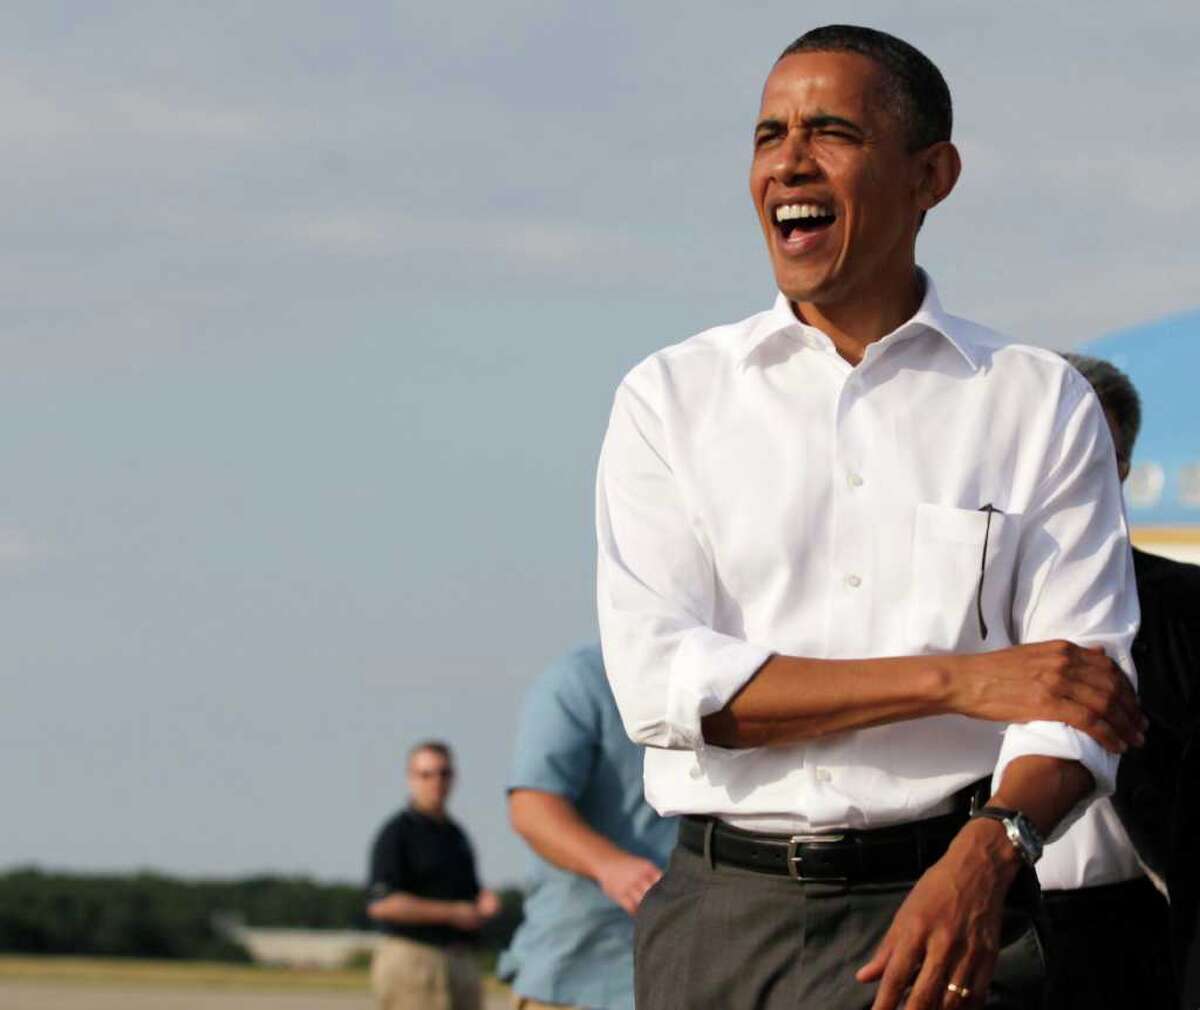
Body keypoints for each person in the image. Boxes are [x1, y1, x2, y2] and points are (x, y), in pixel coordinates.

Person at [595, 24, 1143, 1010]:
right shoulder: (668, 399)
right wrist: (958, 678)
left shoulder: (1039, 402)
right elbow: (667, 687)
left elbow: (1083, 697)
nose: (789, 161)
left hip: (958, 905)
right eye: (769, 135)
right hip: (722, 922)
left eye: (832, 132)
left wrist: (992, 848)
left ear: (932, 176)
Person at [1038, 352, 1199, 1009]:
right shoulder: (944, 608)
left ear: (1122, 467)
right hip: (974, 916)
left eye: (1085, 449)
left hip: (1135, 932)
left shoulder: (1185, 608)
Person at [498, 643, 678, 1010]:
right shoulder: (578, 680)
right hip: (577, 978)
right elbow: (531, 807)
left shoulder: (729, 683)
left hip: (689, 976)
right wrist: (610, 865)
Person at [365, 740, 500, 1010]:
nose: (436, 782)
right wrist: (451, 913)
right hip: (414, 959)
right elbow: (382, 903)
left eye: (443, 774)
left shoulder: (456, 835)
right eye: (426, 774)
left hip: (459, 960)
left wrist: (482, 903)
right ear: (411, 778)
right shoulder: (397, 833)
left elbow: (466, 891)